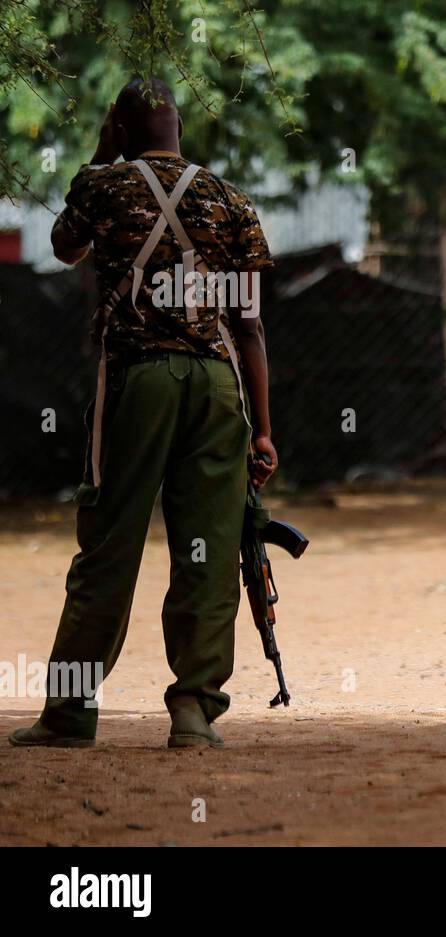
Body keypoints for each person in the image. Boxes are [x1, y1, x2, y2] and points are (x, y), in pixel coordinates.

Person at [9, 77, 276, 749]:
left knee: (108, 545)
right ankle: (193, 711)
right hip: (218, 388)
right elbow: (249, 326)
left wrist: (102, 158)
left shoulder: (102, 187)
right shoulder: (230, 200)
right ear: (180, 130)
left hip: (139, 382)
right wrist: (265, 430)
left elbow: (65, 246)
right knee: (210, 550)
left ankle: (70, 714)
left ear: (121, 132)